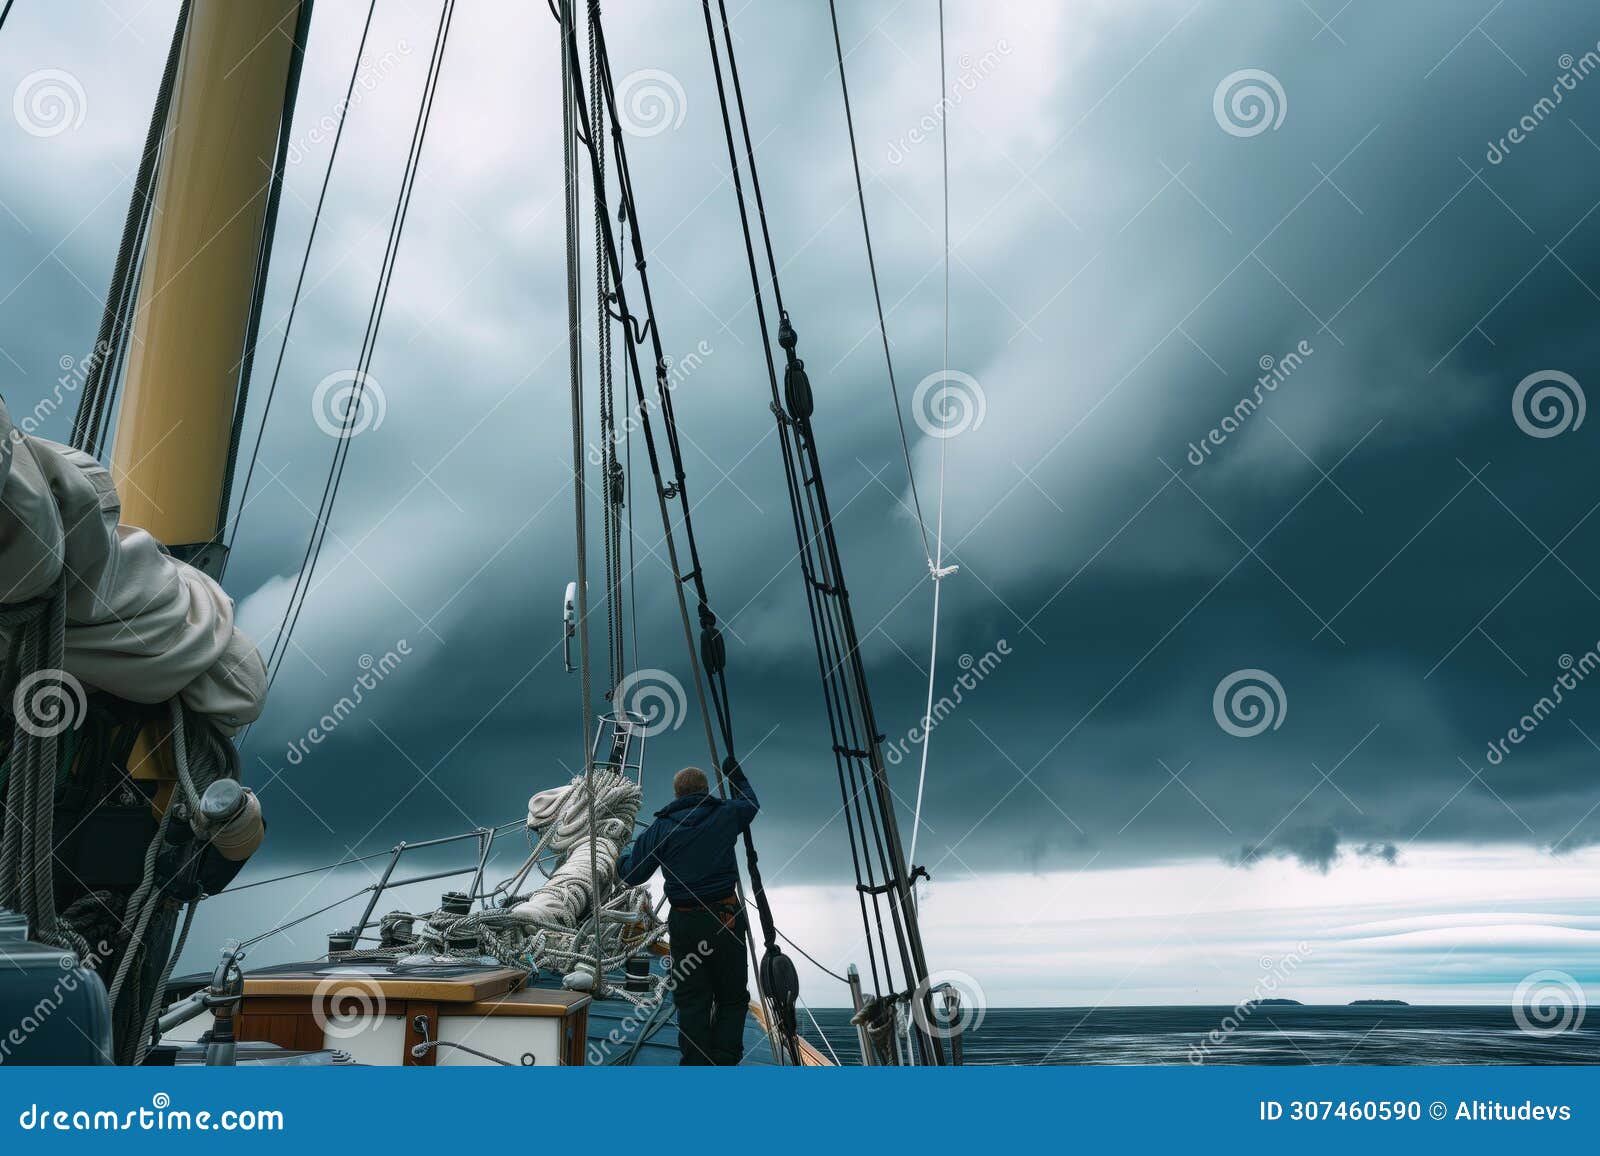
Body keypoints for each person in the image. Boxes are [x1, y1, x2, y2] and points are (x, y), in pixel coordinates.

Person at [618, 763, 758, 1065]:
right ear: (705, 789)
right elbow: (751, 804)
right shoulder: (726, 814)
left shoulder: (662, 828)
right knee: (732, 997)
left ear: (676, 793)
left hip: (687, 922)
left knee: (692, 999)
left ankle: (696, 1066)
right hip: (726, 918)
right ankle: (725, 1061)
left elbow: (632, 875)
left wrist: (619, 857)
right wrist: (736, 776)